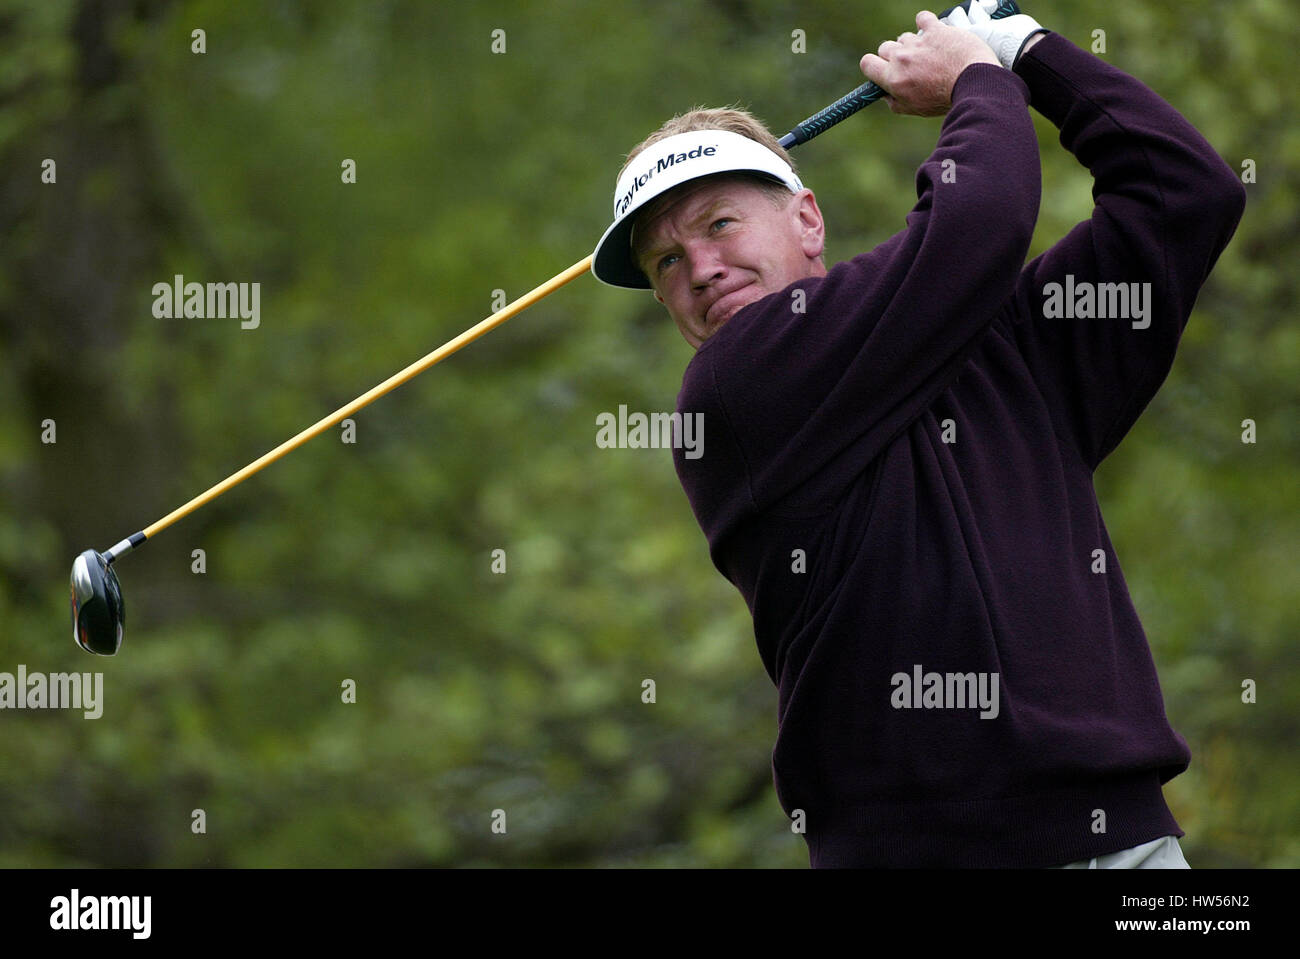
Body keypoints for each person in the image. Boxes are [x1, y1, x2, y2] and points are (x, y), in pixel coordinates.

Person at [590, 2, 1245, 867]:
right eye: (665, 261)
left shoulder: (1006, 349)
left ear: (808, 220)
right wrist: (979, 78)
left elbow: (1184, 191)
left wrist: (1031, 52)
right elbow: (977, 223)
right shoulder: (733, 389)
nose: (701, 269)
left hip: (1128, 843)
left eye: (718, 224)